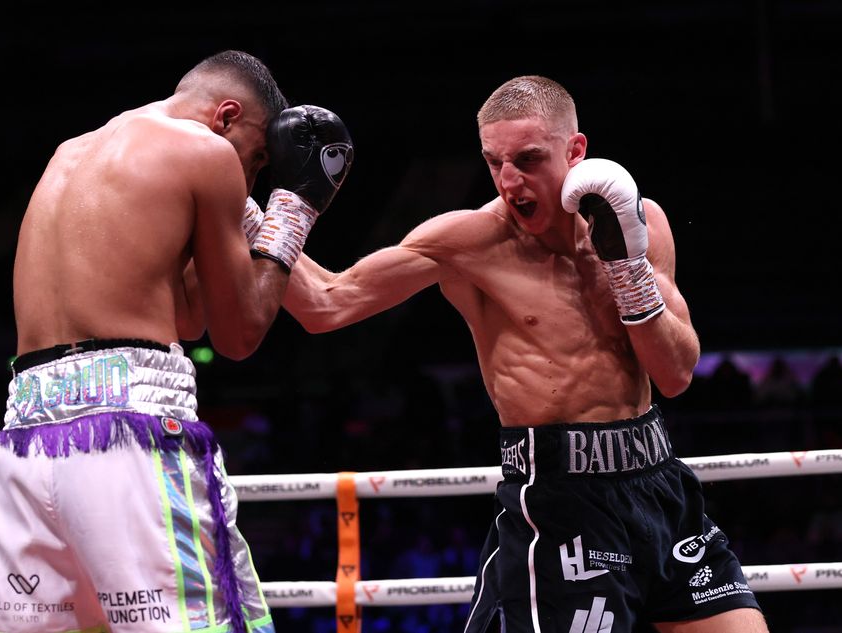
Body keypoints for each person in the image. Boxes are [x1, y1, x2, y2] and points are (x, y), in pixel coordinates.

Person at [282, 76, 767, 632]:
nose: (510, 181)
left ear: (575, 150)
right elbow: (326, 304)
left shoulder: (642, 220)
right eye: (495, 162)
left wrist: (627, 271)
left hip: (659, 483)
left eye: (529, 159)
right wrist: (256, 206)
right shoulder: (470, 242)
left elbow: (676, 374)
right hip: (561, 502)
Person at [0, 50, 352, 633]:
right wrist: (293, 209)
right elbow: (238, 335)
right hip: (129, 435)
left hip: (23, 441)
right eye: (258, 158)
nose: (253, 178)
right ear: (227, 117)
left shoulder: (70, 153)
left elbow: (186, 320)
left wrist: (217, 228)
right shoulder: (207, 152)